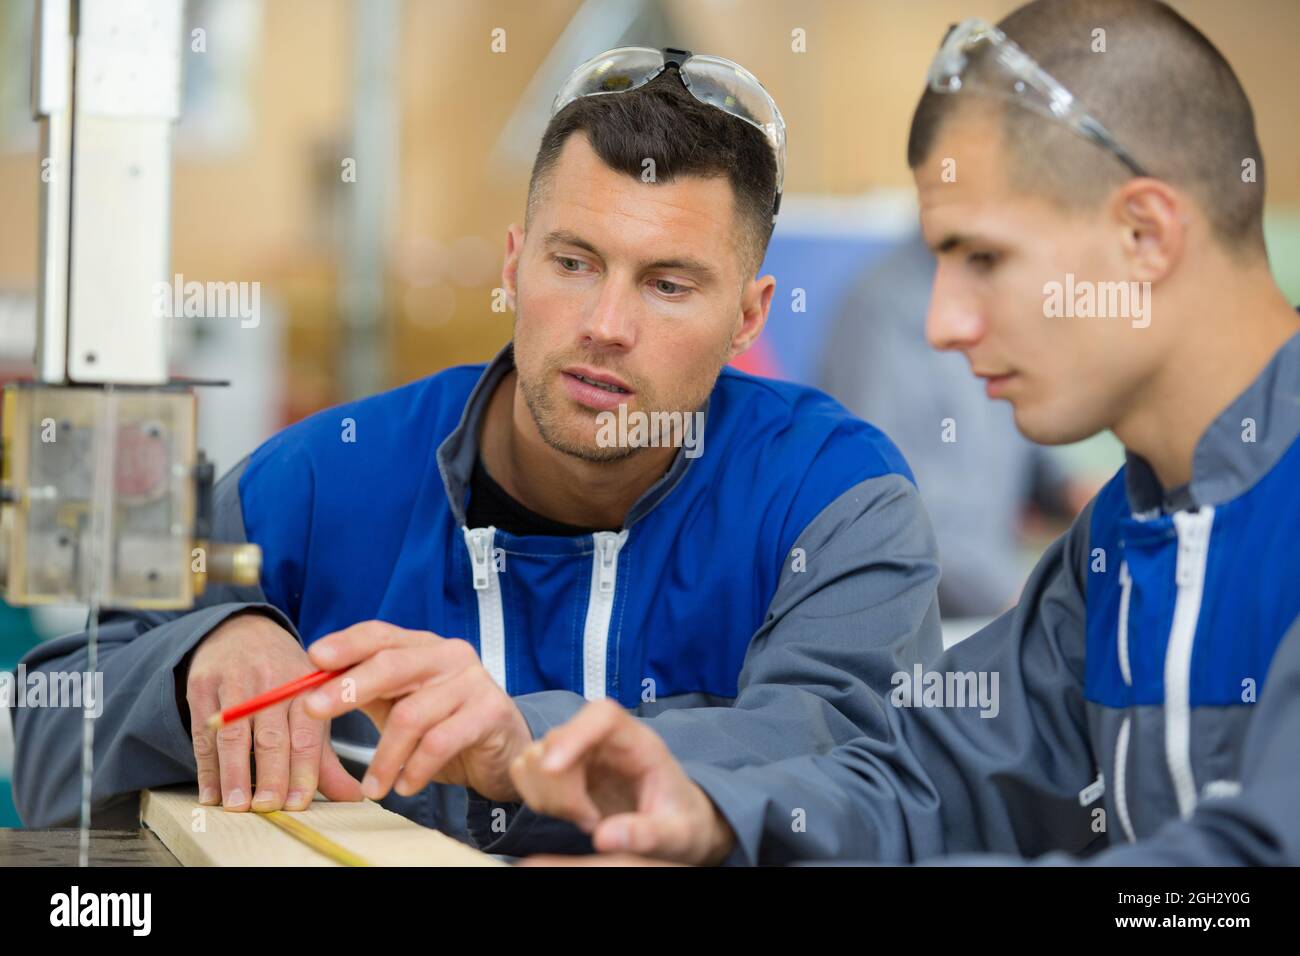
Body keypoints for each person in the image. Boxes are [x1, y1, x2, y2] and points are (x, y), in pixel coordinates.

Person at [10, 48, 942, 854]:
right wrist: (196, 655)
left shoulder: (833, 500)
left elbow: (873, 773)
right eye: (571, 263)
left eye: (666, 284)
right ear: (513, 263)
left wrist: (524, 745)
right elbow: (50, 739)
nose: (604, 326)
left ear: (749, 315)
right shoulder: (318, 482)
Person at [504, 0, 1300, 865]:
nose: (944, 324)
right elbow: (926, 778)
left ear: (1145, 236)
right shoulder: (1121, 539)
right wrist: (713, 818)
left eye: (982, 258)